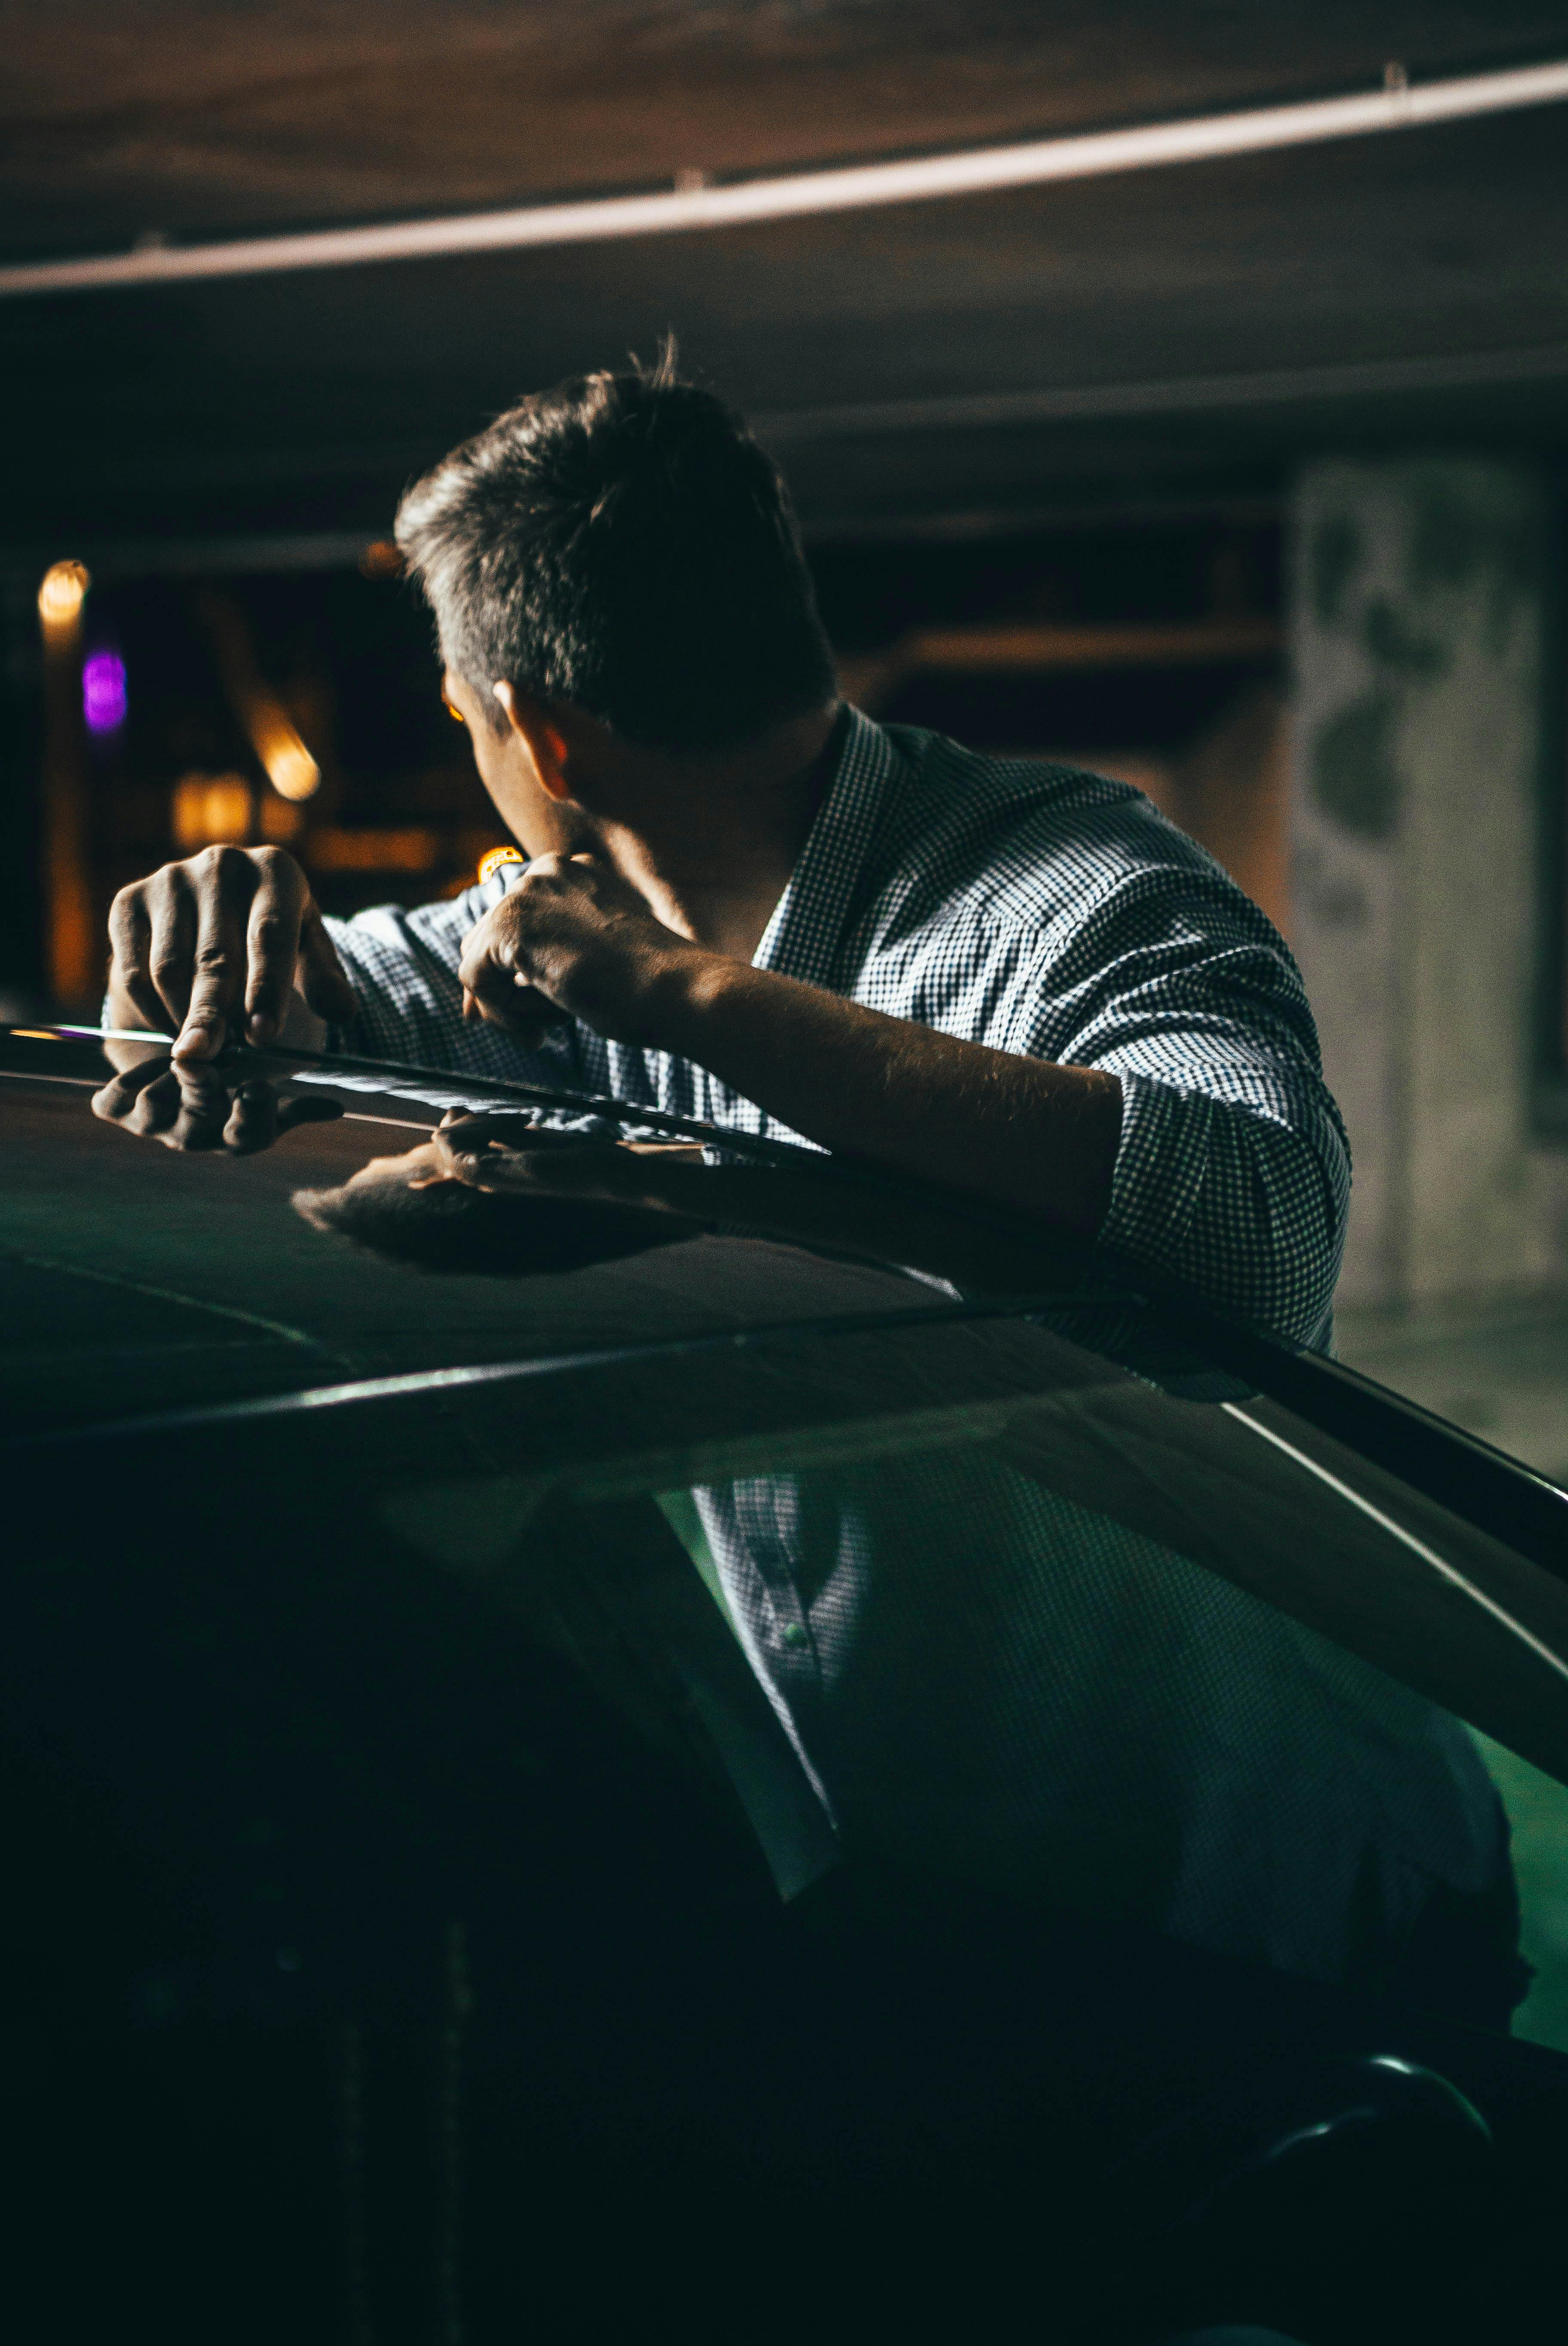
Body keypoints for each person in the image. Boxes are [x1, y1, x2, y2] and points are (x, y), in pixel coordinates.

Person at [98, 354, 1524, 2017]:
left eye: (460, 710)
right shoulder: (553, 940)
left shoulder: (1073, 891)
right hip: (960, 1898)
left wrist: (681, 997)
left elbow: (1255, 1239)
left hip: (1297, 1916)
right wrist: (200, 948)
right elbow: (277, 1028)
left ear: (542, 737)